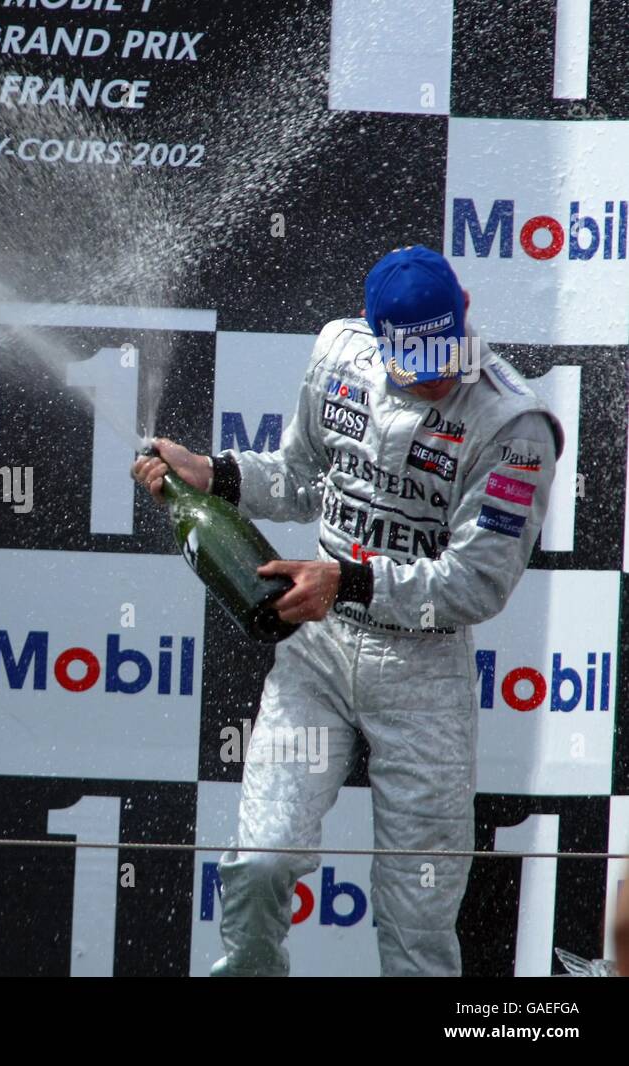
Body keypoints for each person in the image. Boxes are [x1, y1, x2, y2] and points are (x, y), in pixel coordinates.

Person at [133, 245, 562, 976]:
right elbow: (301, 480)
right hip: (319, 653)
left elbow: (477, 584)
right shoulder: (339, 354)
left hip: (423, 674)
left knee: (416, 923)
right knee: (263, 861)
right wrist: (217, 474)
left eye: (447, 349)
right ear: (377, 336)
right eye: (415, 357)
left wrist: (351, 582)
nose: (435, 372)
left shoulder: (514, 425)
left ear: (465, 315)